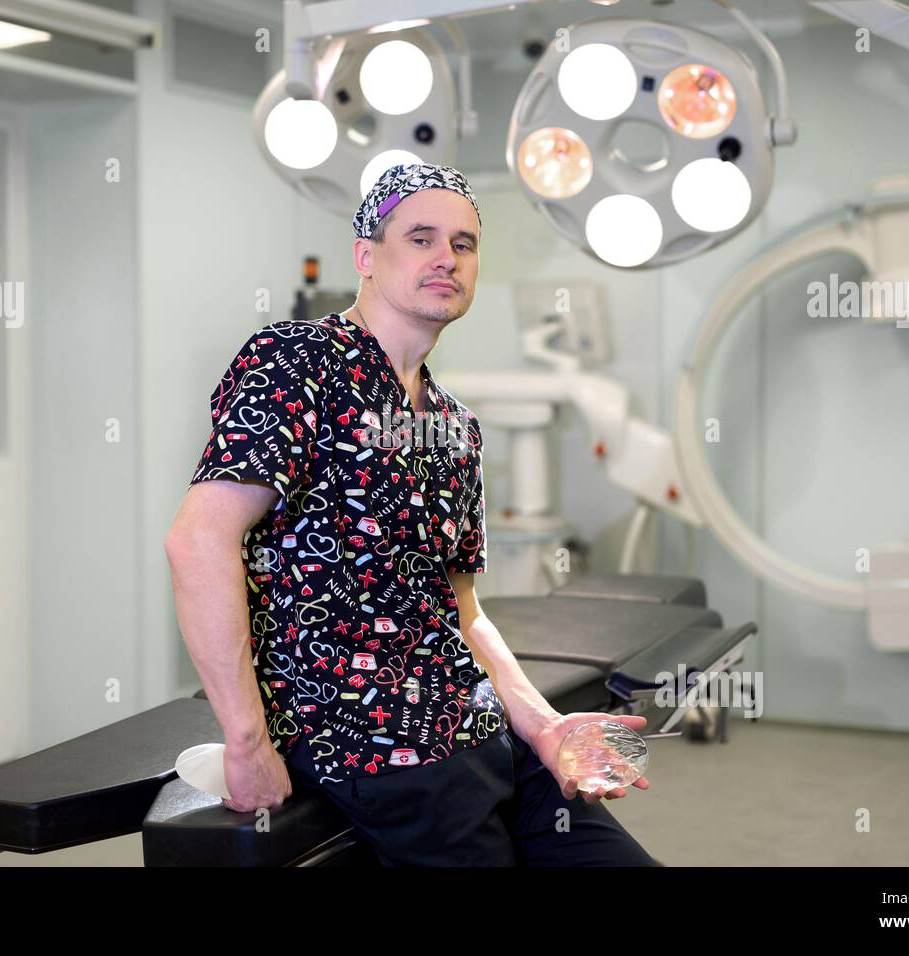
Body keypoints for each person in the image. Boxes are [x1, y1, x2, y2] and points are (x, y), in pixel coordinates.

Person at [166, 163, 661, 866]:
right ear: (367, 256)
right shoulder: (295, 362)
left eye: (463, 243)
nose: (446, 258)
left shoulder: (453, 424)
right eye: (421, 237)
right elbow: (197, 541)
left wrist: (546, 730)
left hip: (484, 733)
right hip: (380, 752)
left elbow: (463, 608)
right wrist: (246, 741)